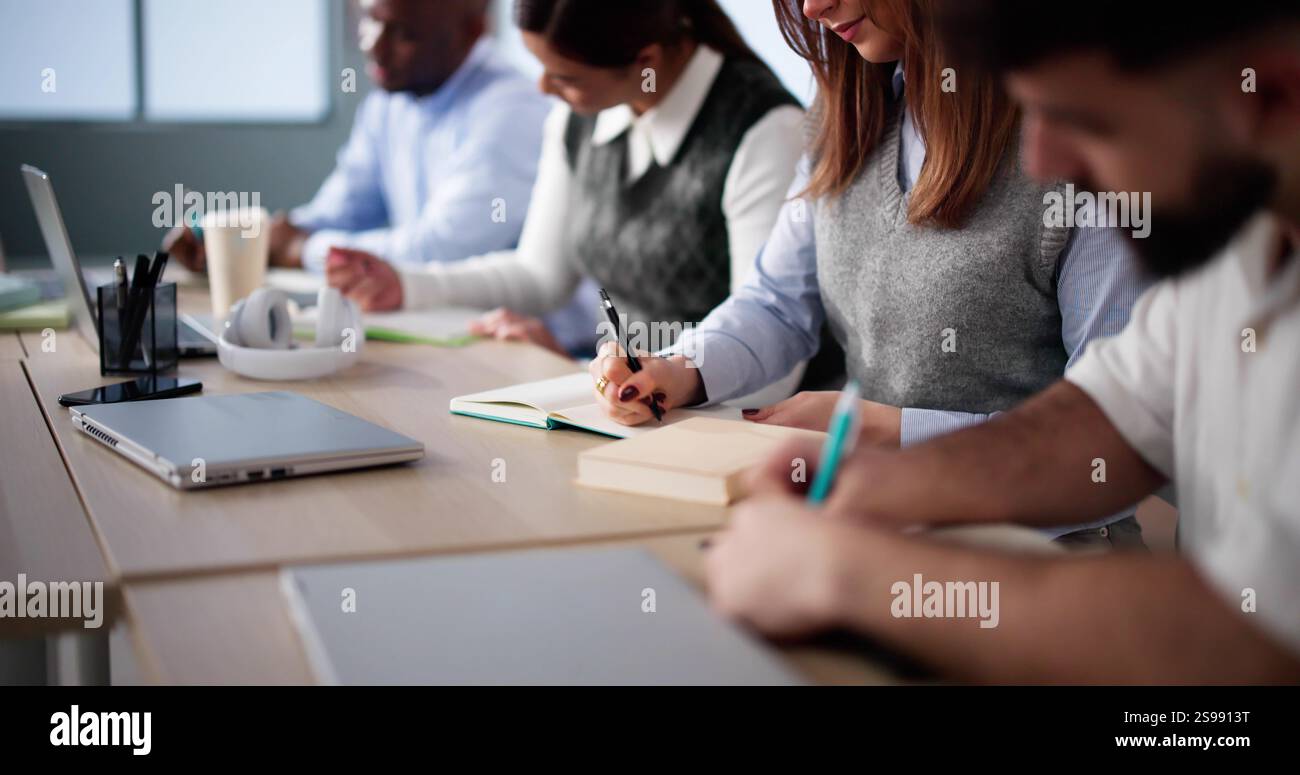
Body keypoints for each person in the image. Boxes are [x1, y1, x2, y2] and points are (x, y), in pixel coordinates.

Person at [703, 0, 1300, 683]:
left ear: (1275, 96)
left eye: (1086, 122)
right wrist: (883, 480)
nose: (1041, 157)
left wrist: (848, 575)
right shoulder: (1242, 238)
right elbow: (1111, 414)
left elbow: (1257, 643)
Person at [589, 0, 1150, 547]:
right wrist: (678, 369)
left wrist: (885, 430)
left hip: (1046, 561)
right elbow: (777, 303)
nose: (812, 8)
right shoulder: (849, 108)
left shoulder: (1082, 145)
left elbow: (1110, 446)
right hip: (875, 529)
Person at [324, 0, 806, 370]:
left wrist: (599, 371)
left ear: (646, 61)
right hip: (629, 396)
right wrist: (406, 285)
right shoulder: (584, 117)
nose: (542, 90)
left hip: (720, 421)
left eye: (564, 77)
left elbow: (769, 345)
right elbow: (540, 275)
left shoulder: (763, 130)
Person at [162, 0, 549, 278]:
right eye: (369, 20)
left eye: (403, 33)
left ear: (472, 31)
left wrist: (300, 250)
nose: (373, 45)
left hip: (535, 350)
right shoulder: (389, 103)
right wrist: (243, 241)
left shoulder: (511, 108)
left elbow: (442, 251)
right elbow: (339, 210)